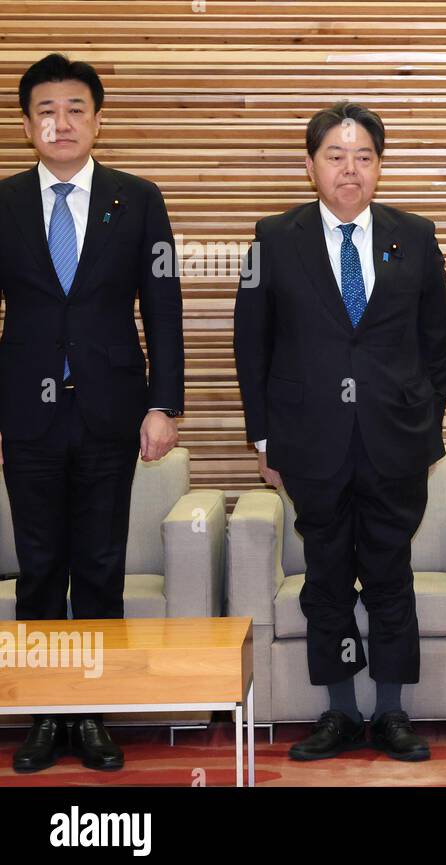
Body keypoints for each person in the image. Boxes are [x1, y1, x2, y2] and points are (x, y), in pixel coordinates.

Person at [234, 101, 446, 762]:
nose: (349, 169)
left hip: (394, 441)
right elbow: (252, 344)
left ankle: (391, 711)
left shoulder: (415, 236)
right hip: (310, 442)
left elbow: (437, 346)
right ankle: (337, 711)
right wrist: (266, 441)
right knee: (326, 575)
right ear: (311, 166)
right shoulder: (272, 238)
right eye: (335, 156)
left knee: (390, 572)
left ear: (379, 167)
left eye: (363, 157)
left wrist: (421, 424)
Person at [2, 54, 184, 773]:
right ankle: (46, 715)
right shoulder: (6, 202)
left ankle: (94, 712)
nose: (62, 121)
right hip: (26, 413)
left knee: (101, 567)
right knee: (41, 568)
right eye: (47, 110)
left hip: (113, 410)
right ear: (26, 126)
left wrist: (164, 402)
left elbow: (163, 308)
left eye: (76, 108)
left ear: (98, 119)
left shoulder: (137, 199)